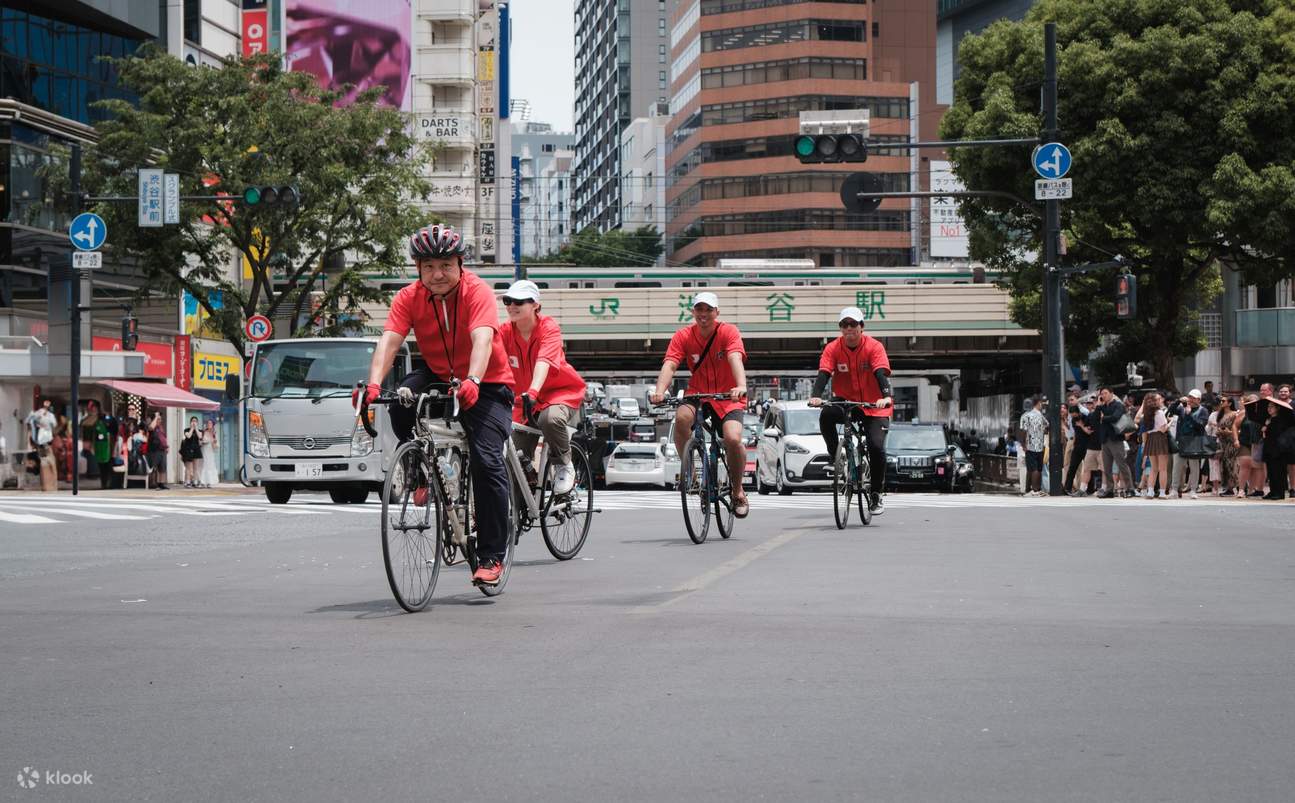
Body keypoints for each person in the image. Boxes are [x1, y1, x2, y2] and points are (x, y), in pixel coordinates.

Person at [355, 224, 515, 586]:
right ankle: (423, 469)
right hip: (438, 372)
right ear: (418, 269)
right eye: (428, 266)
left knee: (486, 458)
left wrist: (474, 379)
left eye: (445, 265)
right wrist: (374, 384)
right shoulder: (409, 297)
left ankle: (492, 554)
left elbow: (483, 339)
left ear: (460, 264)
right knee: (398, 403)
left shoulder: (478, 291)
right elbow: (390, 341)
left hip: (487, 381)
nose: (437, 274)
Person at [649, 291, 750, 518]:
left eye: (708, 310)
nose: (703, 314)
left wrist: (740, 385)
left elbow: (735, 357)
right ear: (693, 311)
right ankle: (691, 474)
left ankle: (737, 491)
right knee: (682, 417)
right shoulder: (683, 335)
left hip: (728, 395)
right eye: (699, 309)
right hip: (699, 393)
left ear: (717, 312)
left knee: (733, 438)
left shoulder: (728, 332)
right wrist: (659, 391)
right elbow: (670, 364)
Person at [498, 279, 586, 495]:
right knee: (513, 457)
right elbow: (489, 358)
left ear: (536, 304)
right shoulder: (504, 332)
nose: (511, 306)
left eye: (518, 301)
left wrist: (534, 391)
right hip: (523, 400)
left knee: (550, 419)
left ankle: (564, 464)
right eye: (508, 301)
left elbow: (543, 361)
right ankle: (515, 512)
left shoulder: (549, 328)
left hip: (559, 394)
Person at [807, 306, 894, 514]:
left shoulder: (874, 347)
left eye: (853, 324)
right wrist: (816, 395)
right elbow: (824, 373)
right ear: (840, 329)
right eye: (844, 325)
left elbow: (881, 373)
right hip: (848, 403)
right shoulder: (833, 348)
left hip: (875, 406)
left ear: (861, 327)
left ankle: (876, 493)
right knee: (827, 414)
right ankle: (835, 457)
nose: (849, 329)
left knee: (875, 446)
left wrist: (886, 397)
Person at [1168, 389, 1209, 499]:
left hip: (1194, 441)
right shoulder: (1182, 408)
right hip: (1181, 441)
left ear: (1199, 400)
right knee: (1177, 466)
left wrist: (1189, 414)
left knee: (1194, 467)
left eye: (1193, 398)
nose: (1190, 399)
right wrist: (1178, 401)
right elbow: (1170, 411)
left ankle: (1193, 490)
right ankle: (1174, 490)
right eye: (1189, 397)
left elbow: (1201, 425)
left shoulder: (1203, 411)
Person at [1095, 387, 1133, 498]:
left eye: (1105, 393)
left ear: (1112, 393)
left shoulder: (1118, 405)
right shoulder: (1102, 407)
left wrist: (1104, 417)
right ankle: (1110, 489)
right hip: (1105, 440)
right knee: (1106, 467)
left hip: (1116, 439)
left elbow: (1115, 417)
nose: (1103, 395)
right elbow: (1095, 418)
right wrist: (1098, 406)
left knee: (1122, 464)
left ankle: (1130, 488)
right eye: (1101, 394)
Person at [1261, 398, 1293, 500]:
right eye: (1268, 407)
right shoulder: (1268, 419)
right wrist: (1265, 427)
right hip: (1269, 448)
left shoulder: (1281, 420)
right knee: (1271, 471)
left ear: (1277, 408)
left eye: (1271, 407)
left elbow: (1277, 433)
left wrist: (1267, 428)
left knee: (1278, 471)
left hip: (1278, 449)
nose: (1269, 409)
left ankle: (1280, 492)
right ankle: (1273, 490)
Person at [1018, 396, 1048, 497]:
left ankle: (1034, 490)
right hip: (1040, 445)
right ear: (1038, 403)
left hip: (1030, 445)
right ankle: (1037, 489)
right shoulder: (1040, 415)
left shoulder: (1026, 416)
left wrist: (1023, 444)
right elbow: (1047, 426)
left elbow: (1023, 431)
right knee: (1039, 468)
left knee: (1032, 468)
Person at [1213, 396, 1240, 496]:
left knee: (1232, 464)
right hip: (1222, 443)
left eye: (1223, 401)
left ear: (1230, 403)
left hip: (1231, 442)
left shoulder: (1234, 414)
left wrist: (1228, 432)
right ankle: (1229, 487)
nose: (1221, 402)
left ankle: (1239, 486)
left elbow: (1237, 428)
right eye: (1221, 401)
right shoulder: (1221, 414)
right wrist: (1219, 431)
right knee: (1225, 465)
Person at [181, 416, 202, 488]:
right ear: (190, 422)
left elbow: (200, 436)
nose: (194, 422)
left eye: (195, 421)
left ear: (197, 423)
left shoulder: (199, 430)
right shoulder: (186, 430)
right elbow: (188, 436)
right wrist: (192, 428)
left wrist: (195, 429)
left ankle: (195, 481)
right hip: (188, 450)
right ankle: (187, 481)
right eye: (193, 421)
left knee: (195, 467)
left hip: (196, 450)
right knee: (188, 467)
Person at [200, 420, 219, 488]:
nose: (209, 424)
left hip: (210, 451)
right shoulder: (203, 432)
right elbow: (200, 442)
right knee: (204, 465)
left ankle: (209, 482)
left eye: (210, 423)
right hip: (204, 450)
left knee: (210, 466)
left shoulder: (214, 433)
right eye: (208, 423)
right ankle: (202, 481)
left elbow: (216, 445)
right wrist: (203, 442)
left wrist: (214, 442)